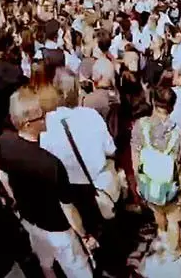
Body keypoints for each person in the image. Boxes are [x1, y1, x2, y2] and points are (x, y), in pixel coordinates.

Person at [0, 86, 94, 278]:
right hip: (58, 229)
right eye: (40, 117)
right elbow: (69, 209)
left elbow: (3, 177)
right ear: (27, 124)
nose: (46, 118)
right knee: (79, 268)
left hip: (29, 221)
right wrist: (84, 235)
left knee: (46, 264)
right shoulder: (50, 164)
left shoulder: (4, 143)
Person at [39, 70, 119, 238]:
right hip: (98, 183)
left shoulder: (46, 124)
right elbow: (110, 149)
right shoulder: (91, 115)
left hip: (70, 189)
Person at [131, 86, 181, 259]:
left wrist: (138, 180)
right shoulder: (180, 134)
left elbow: (135, 157)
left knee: (157, 210)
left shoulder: (140, 126)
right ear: (172, 107)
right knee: (174, 217)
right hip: (171, 186)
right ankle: (173, 251)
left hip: (148, 183)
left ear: (153, 102)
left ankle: (161, 233)